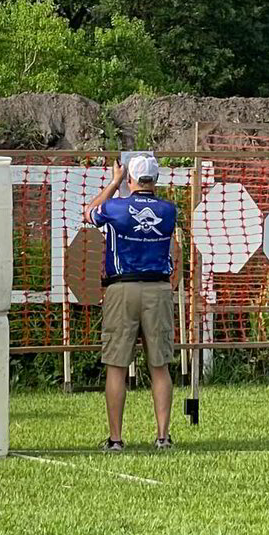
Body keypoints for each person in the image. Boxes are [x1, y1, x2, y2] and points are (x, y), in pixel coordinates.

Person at [83, 153, 178, 451]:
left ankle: (116, 439)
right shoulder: (169, 210)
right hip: (159, 289)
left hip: (122, 289)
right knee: (159, 364)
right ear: (156, 179)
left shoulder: (115, 207)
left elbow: (89, 213)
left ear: (130, 178)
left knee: (116, 365)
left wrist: (113, 182)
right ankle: (163, 436)